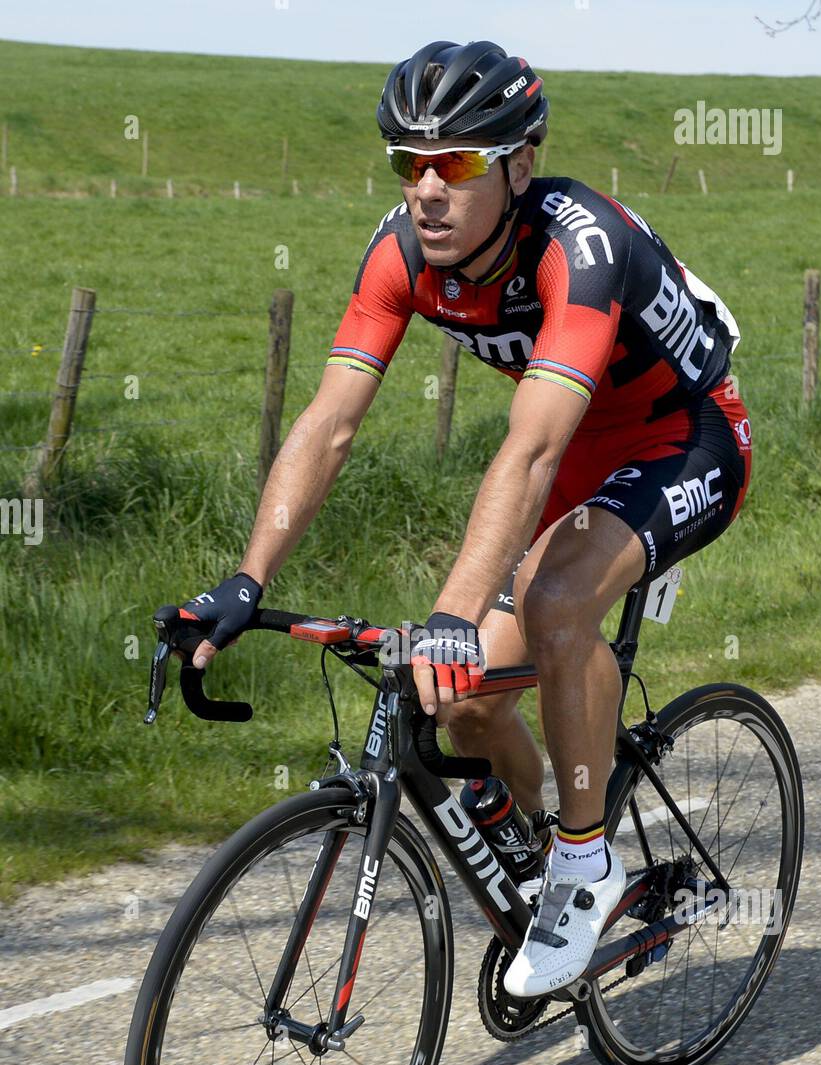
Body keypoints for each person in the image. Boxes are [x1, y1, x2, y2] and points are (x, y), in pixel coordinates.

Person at [176, 39, 752, 1000]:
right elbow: (329, 424)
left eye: (458, 164)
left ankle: (581, 866)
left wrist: (451, 609)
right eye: (409, 163)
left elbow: (524, 452)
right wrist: (246, 580)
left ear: (519, 164)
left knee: (554, 596)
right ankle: (559, 842)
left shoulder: (579, 246)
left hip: (683, 438)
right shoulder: (401, 252)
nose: (427, 190)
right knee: (472, 701)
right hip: (579, 454)